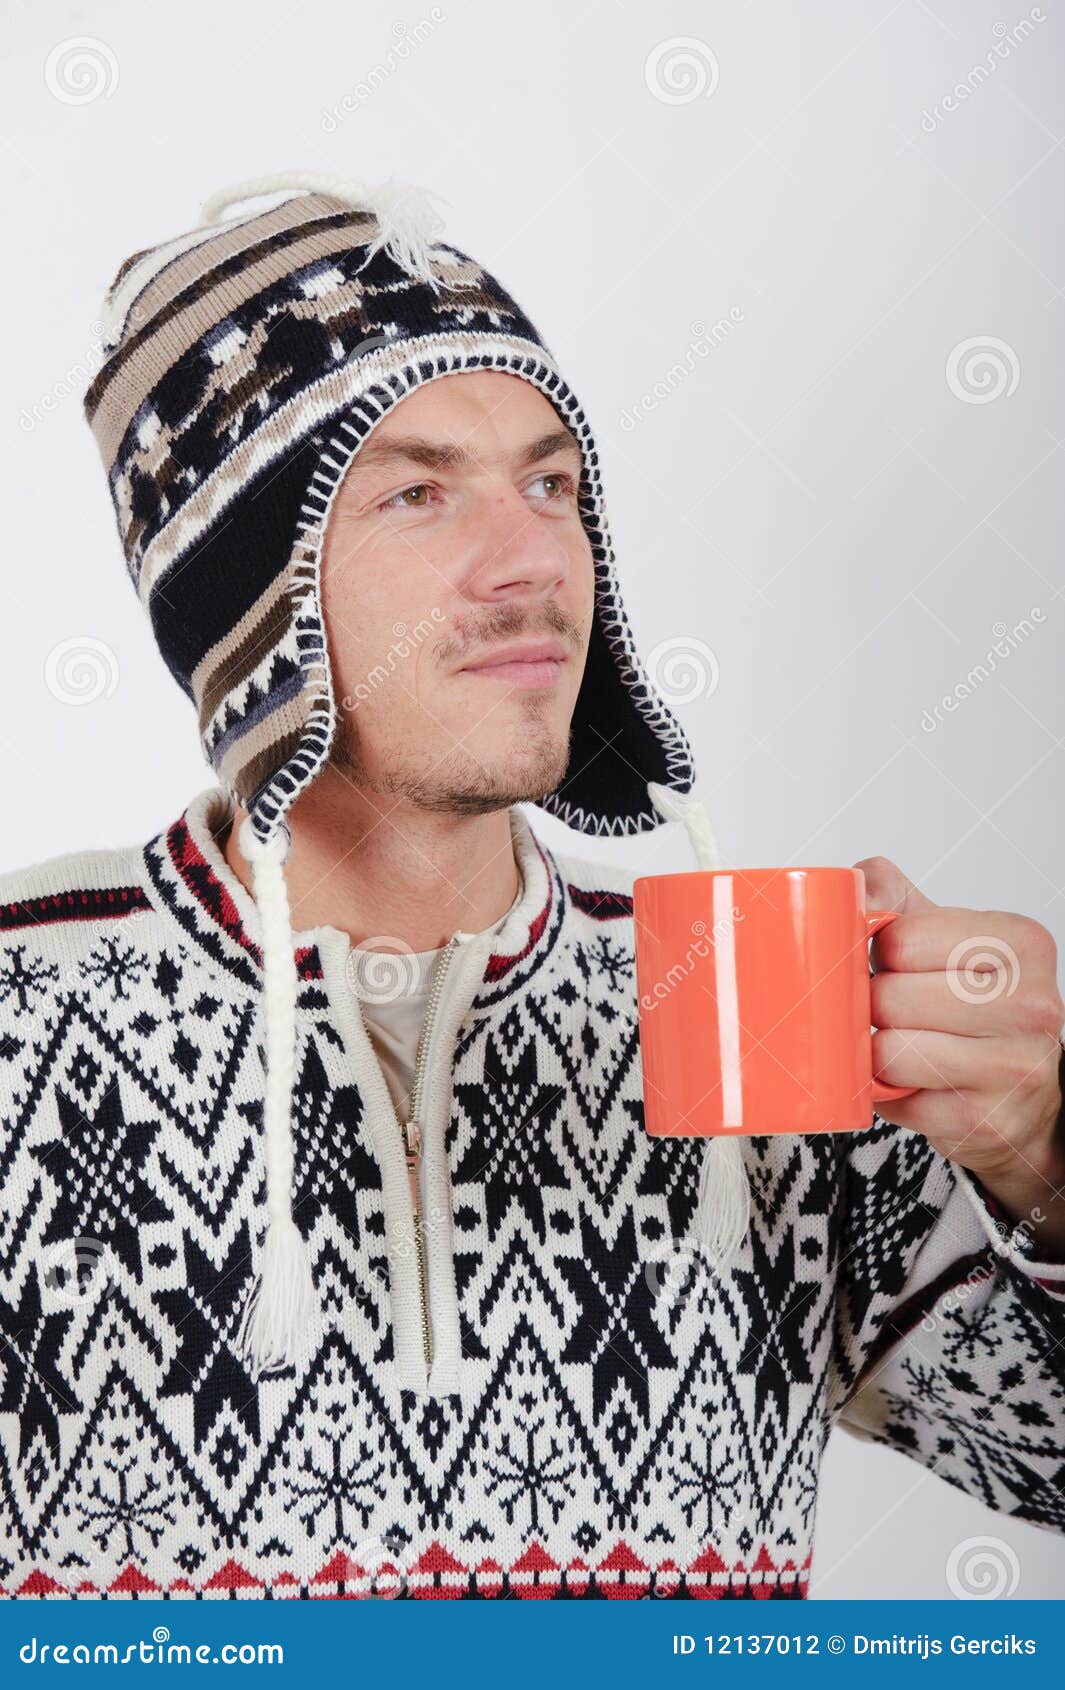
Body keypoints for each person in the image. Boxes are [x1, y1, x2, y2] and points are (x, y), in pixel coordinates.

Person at [0, 172, 1062, 1602]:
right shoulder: (22, 1011)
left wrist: (1040, 1166)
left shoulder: (762, 1004)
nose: (532, 563)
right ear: (242, 592)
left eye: (550, 483)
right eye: (418, 491)